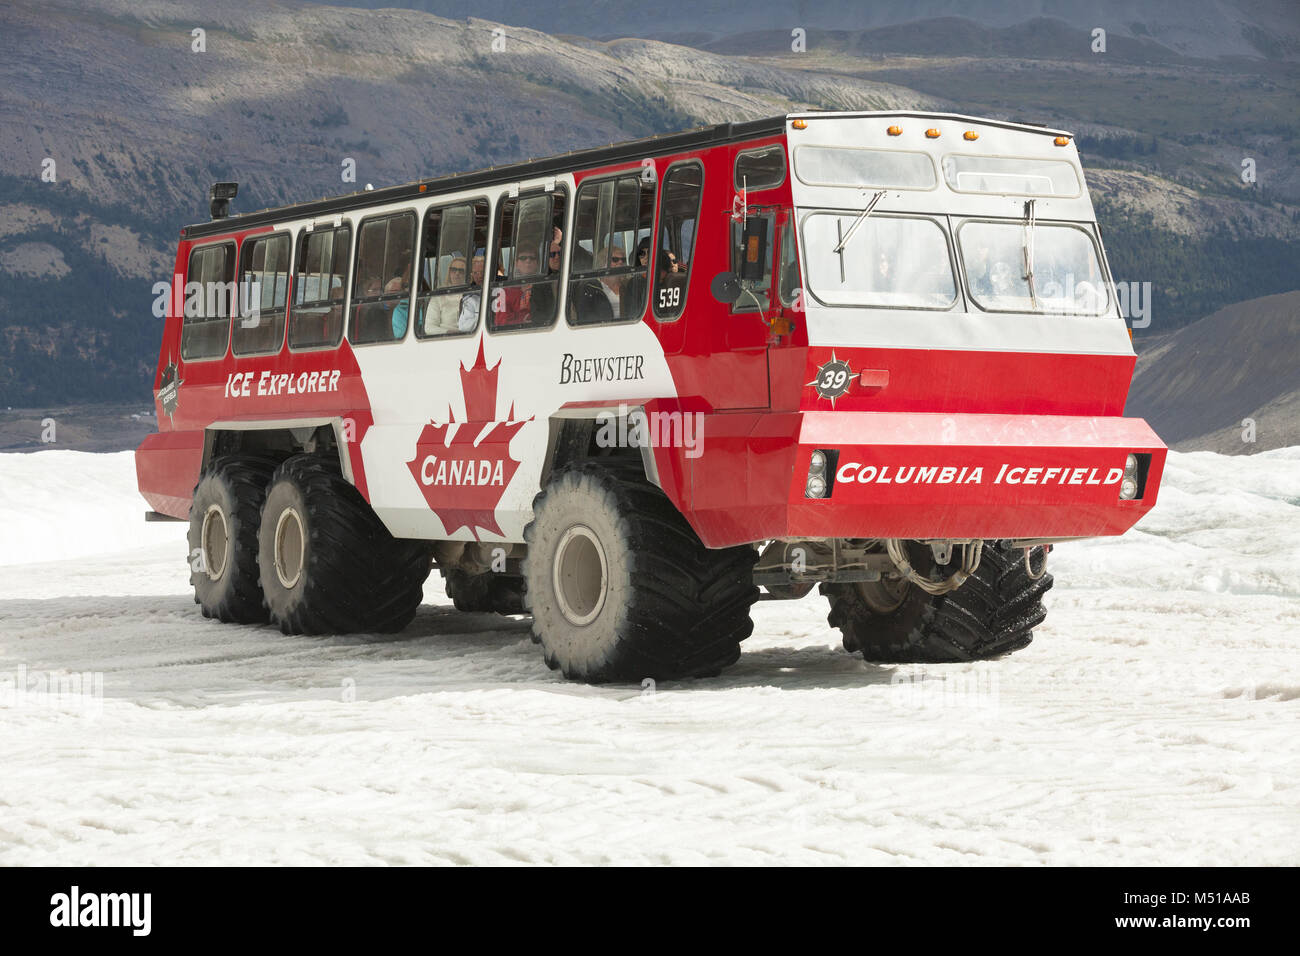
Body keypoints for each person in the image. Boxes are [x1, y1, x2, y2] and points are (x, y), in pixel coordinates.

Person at [423, 255, 465, 335]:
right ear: (449, 272)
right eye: (453, 270)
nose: (457, 273)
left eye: (461, 271)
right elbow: (429, 327)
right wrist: (448, 332)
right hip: (444, 338)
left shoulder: (472, 295)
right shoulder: (438, 296)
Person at [386, 274, 409, 338]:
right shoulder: (378, 313)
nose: (399, 295)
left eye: (402, 292)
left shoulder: (410, 310)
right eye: (395, 292)